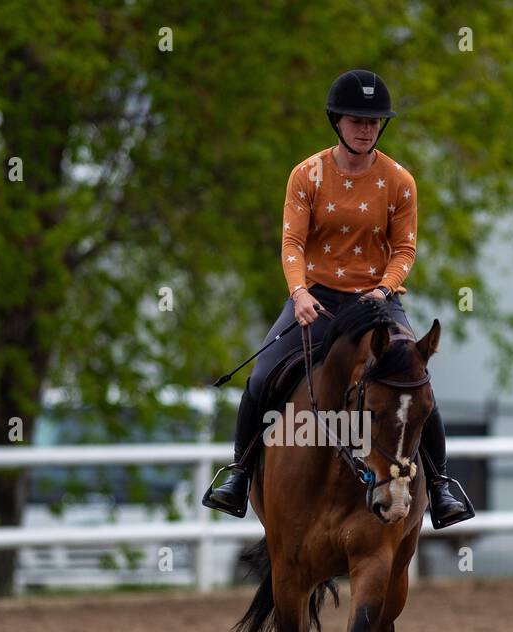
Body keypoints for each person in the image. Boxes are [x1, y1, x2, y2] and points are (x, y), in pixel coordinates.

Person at [202, 69, 474, 529]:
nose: (365, 128)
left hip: (377, 297)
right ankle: (238, 471)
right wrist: (299, 293)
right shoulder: (306, 174)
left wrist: (385, 289)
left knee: (415, 380)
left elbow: (405, 248)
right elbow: (292, 243)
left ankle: (442, 483)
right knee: (263, 374)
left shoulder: (400, 181)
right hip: (316, 297)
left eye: (373, 121)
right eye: (356, 120)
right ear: (337, 122)